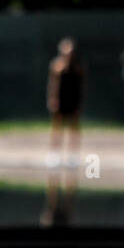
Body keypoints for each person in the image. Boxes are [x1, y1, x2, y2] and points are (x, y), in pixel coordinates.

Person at [46, 38, 84, 168]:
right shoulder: (57, 66)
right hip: (61, 100)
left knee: (74, 128)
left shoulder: (78, 67)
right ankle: (54, 155)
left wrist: (79, 102)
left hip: (73, 100)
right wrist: (53, 99)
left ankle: (73, 156)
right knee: (57, 128)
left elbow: (80, 86)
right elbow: (53, 84)